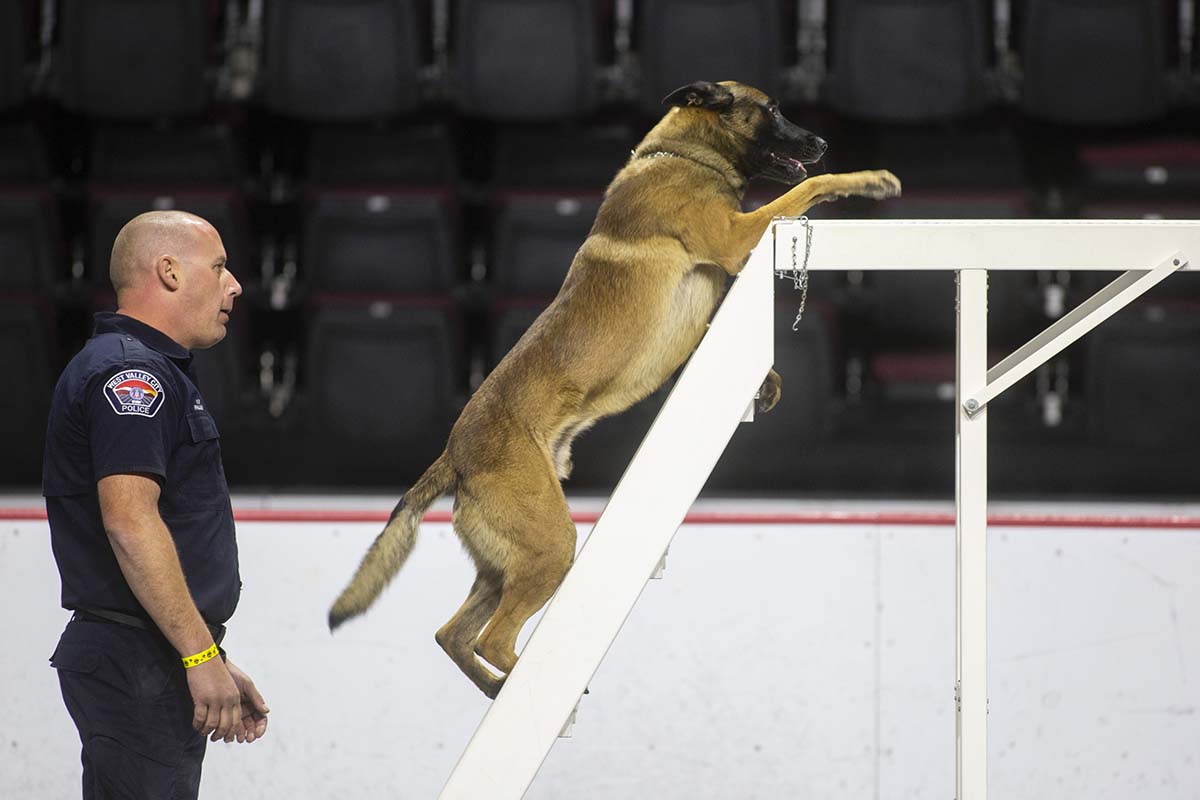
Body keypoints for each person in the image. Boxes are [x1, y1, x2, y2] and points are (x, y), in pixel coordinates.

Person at [43, 210, 269, 799]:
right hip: (137, 661)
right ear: (168, 271)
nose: (235, 285)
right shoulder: (132, 375)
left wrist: (207, 651)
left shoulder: (140, 368)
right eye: (218, 266)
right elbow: (130, 521)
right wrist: (198, 656)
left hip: (145, 656)